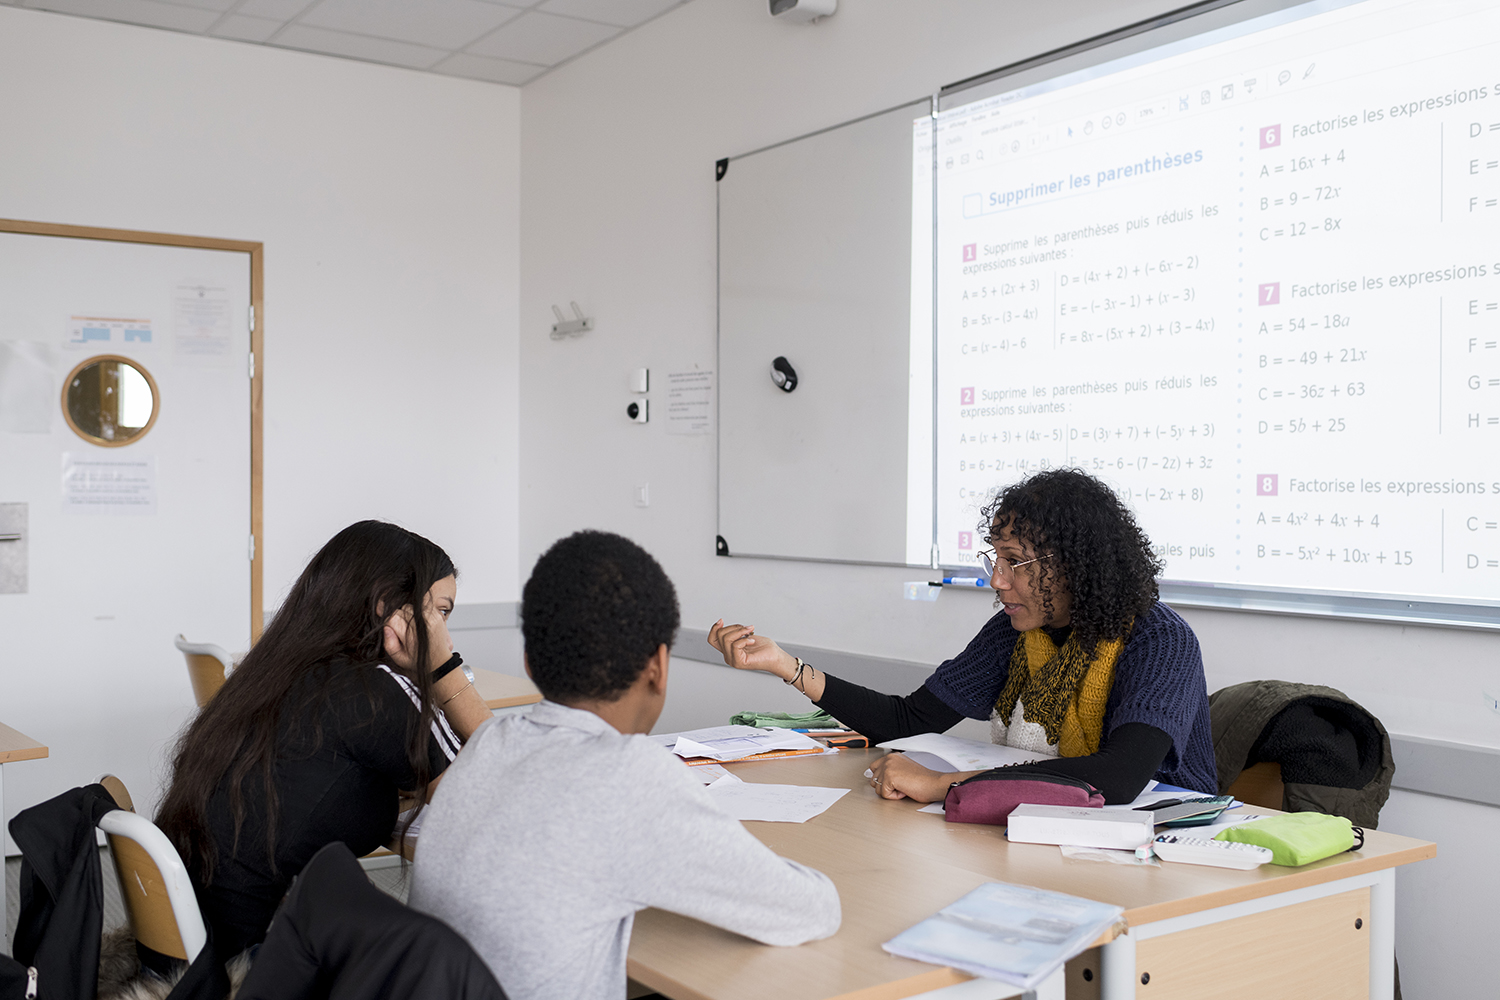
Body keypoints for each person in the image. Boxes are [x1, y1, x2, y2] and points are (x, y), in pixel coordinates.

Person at [411, 530, 841, 1000]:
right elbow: (812, 910)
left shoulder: (491, 743)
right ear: (658, 665)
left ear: (531, 663)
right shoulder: (629, 777)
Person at [709, 468, 1216, 805]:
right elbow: (907, 719)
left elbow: (1121, 777)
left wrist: (941, 785)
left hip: (1165, 838)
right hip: (1061, 828)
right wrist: (787, 667)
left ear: (1074, 567)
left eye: (1015, 561)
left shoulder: (1158, 640)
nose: (997, 580)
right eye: (995, 558)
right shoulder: (1016, 630)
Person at [156, 520, 493, 960]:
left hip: (189, 941)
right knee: (451, 952)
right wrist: (441, 668)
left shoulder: (273, 671)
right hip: (256, 961)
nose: (446, 632)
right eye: (441, 614)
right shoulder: (377, 691)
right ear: (390, 609)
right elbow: (493, 788)